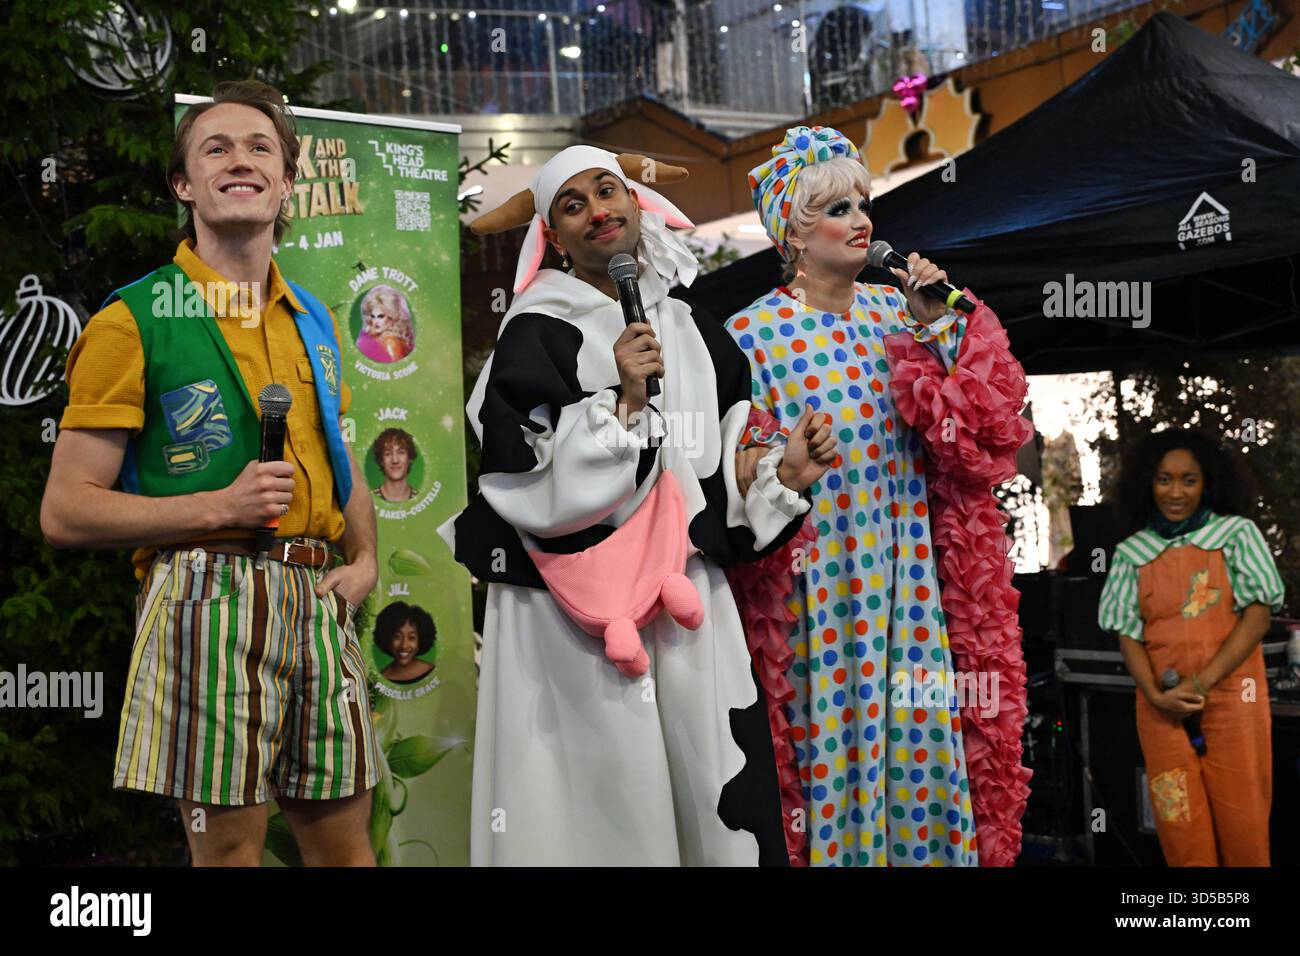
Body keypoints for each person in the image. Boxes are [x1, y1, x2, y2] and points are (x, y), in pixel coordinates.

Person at [437, 144, 836, 866]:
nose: (599, 211)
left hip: (681, 605)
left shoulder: (692, 329)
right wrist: (621, 400)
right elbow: (518, 479)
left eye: (609, 191)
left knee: (706, 788)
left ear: (635, 202)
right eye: (573, 203)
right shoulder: (534, 328)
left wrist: (782, 476)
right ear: (552, 237)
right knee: (599, 799)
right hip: (571, 620)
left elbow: (717, 481)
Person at [39, 80, 381, 867]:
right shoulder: (133, 320)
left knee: (345, 848)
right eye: (215, 147)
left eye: (261, 147)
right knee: (228, 855)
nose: (241, 159)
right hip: (205, 597)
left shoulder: (316, 319)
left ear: (287, 182)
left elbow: (340, 456)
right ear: (183, 185)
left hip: (316, 598)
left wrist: (363, 560)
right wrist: (217, 504)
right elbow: (65, 512)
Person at [724, 126, 1032, 866]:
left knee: (924, 746)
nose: (863, 219)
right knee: (831, 750)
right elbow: (732, 470)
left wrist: (938, 329)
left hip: (911, 576)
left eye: (863, 202)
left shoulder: (901, 315)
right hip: (818, 590)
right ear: (792, 233)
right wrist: (780, 459)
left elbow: (987, 437)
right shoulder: (748, 336)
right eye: (837, 208)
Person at [1099, 429, 1283, 866]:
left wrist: (1201, 681)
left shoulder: (1236, 535)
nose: (1175, 492)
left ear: (1207, 483)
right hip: (1162, 709)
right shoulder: (1131, 553)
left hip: (1233, 700)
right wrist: (1157, 693)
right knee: (1179, 827)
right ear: (1148, 482)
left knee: (1245, 825)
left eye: (1189, 480)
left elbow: (1259, 614)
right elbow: (1127, 633)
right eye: (1164, 479)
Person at [375, 601, 437, 684]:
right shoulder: (380, 680)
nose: (404, 645)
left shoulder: (433, 673)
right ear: (387, 639)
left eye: (411, 638)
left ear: (421, 639)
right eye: (397, 637)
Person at [372, 427, 418, 502]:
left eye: (401, 452)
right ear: (381, 460)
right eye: (388, 454)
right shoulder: (369, 501)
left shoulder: (421, 500)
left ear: (409, 458)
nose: (395, 460)